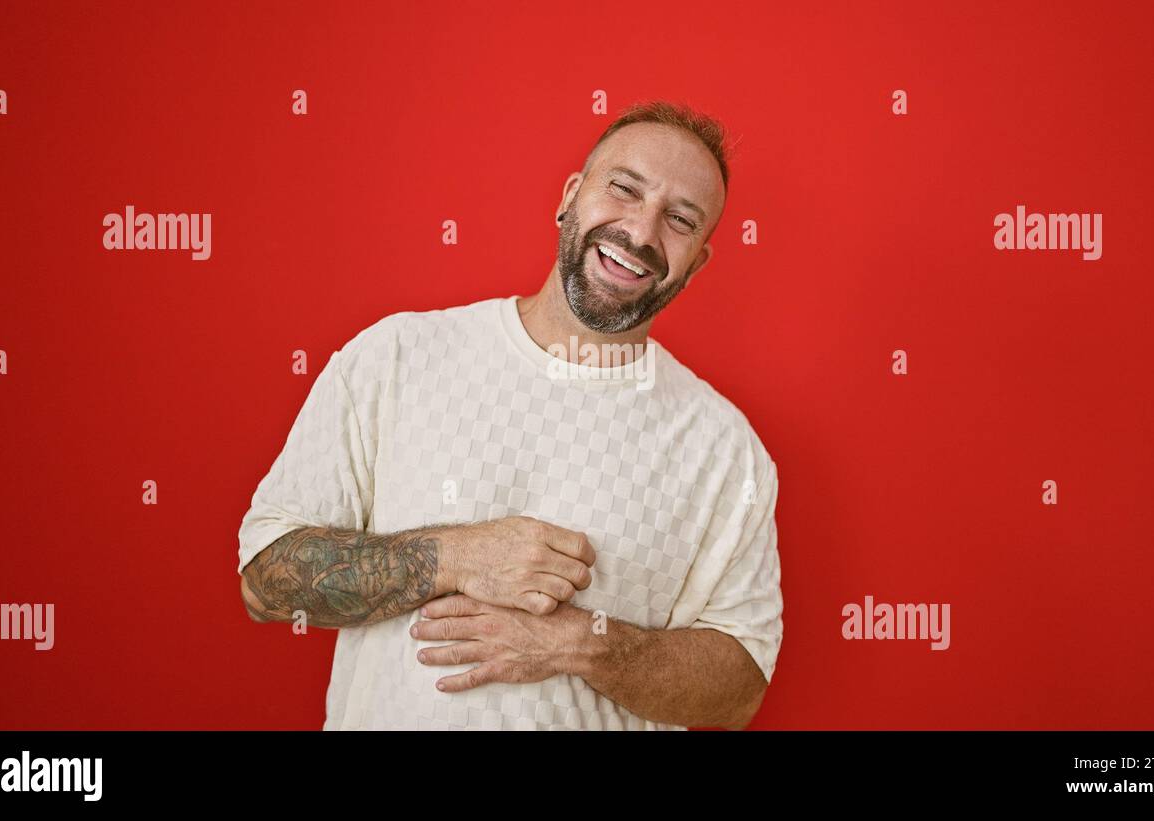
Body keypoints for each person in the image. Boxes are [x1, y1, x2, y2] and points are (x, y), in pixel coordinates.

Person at [237, 100, 782, 730]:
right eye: (623, 189)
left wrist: (581, 644)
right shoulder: (396, 356)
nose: (640, 231)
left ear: (698, 264)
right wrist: (455, 557)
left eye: (680, 220)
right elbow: (264, 581)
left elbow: (739, 689)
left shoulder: (725, 450)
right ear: (570, 197)